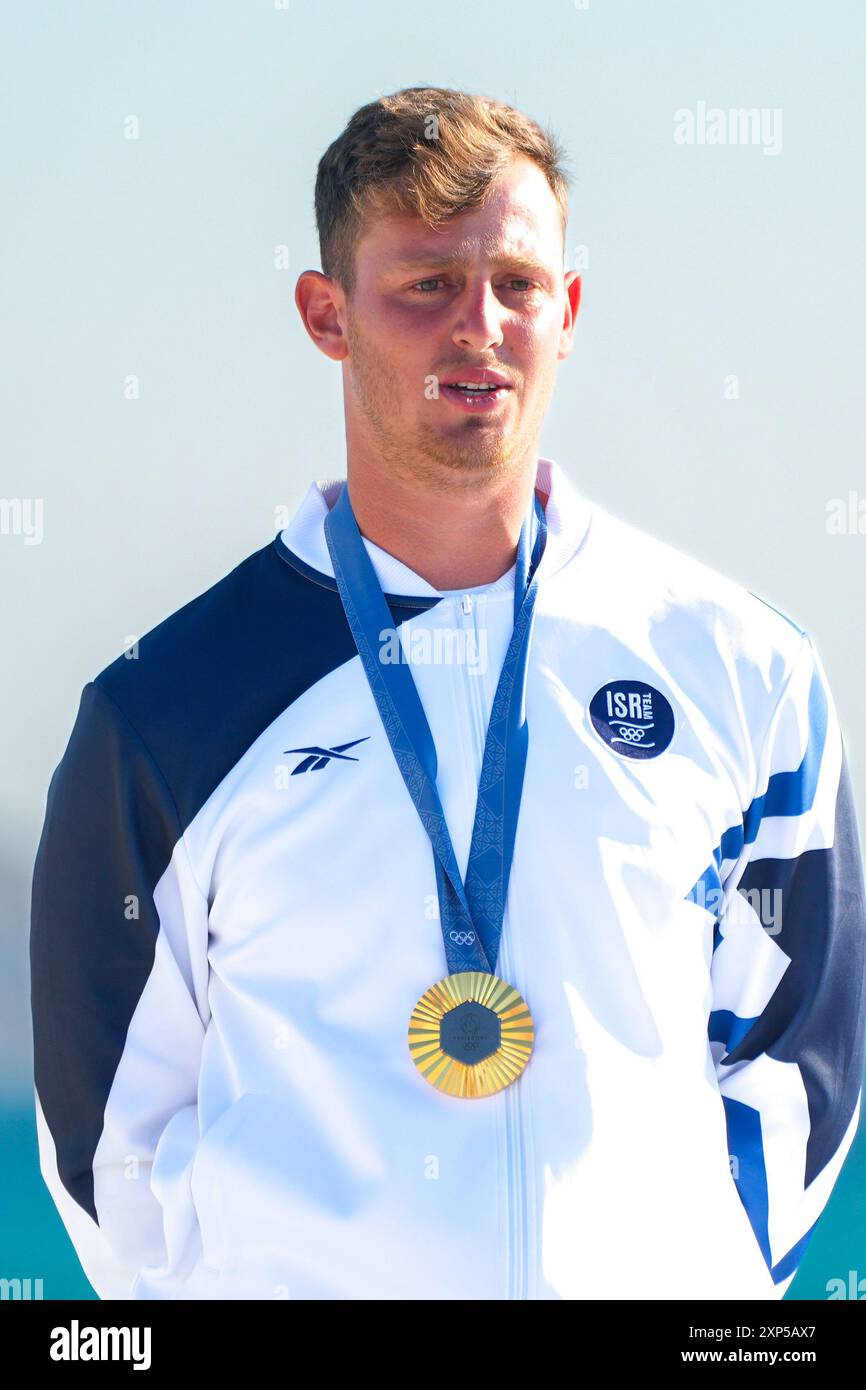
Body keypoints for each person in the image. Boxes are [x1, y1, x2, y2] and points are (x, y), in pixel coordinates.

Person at [30, 85, 866, 1301]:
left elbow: (801, 1054)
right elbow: (108, 1135)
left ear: (567, 311)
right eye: (424, 285)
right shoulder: (163, 709)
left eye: (517, 284)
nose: (477, 325)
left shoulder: (743, 670)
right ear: (327, 313)